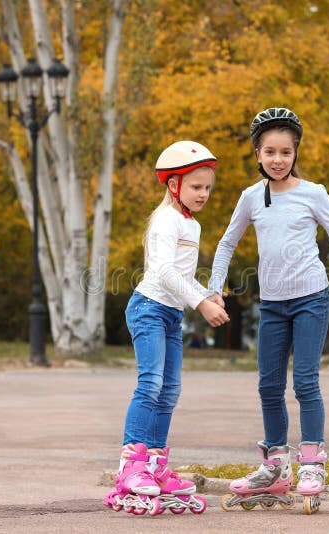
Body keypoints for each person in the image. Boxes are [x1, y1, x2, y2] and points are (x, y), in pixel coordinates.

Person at [208, 107, 329, 514]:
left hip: (311, 298)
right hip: (273, 305)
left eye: (286, 152)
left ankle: (312, 464)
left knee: (305, 382)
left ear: (295, 154)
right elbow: (226, 243)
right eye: (270, 151)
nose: (278, 159)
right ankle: (275, 467)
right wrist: (212, 290)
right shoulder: (250, 198)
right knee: (268, 386)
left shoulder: (314, 193)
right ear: (257, 153)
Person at [105, 140, 229, 516]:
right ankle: (131, 464)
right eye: (195, 187)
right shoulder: (166, 219)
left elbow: (182, 274)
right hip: (148, 308)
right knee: (151, 383)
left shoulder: (192, 222)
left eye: (207, 187)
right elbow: (161, 271)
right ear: (174, 185)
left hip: (171, 313)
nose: (203, 193)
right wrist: (201, 303)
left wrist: (209, 293)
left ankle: (155, 464)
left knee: (171, 389)